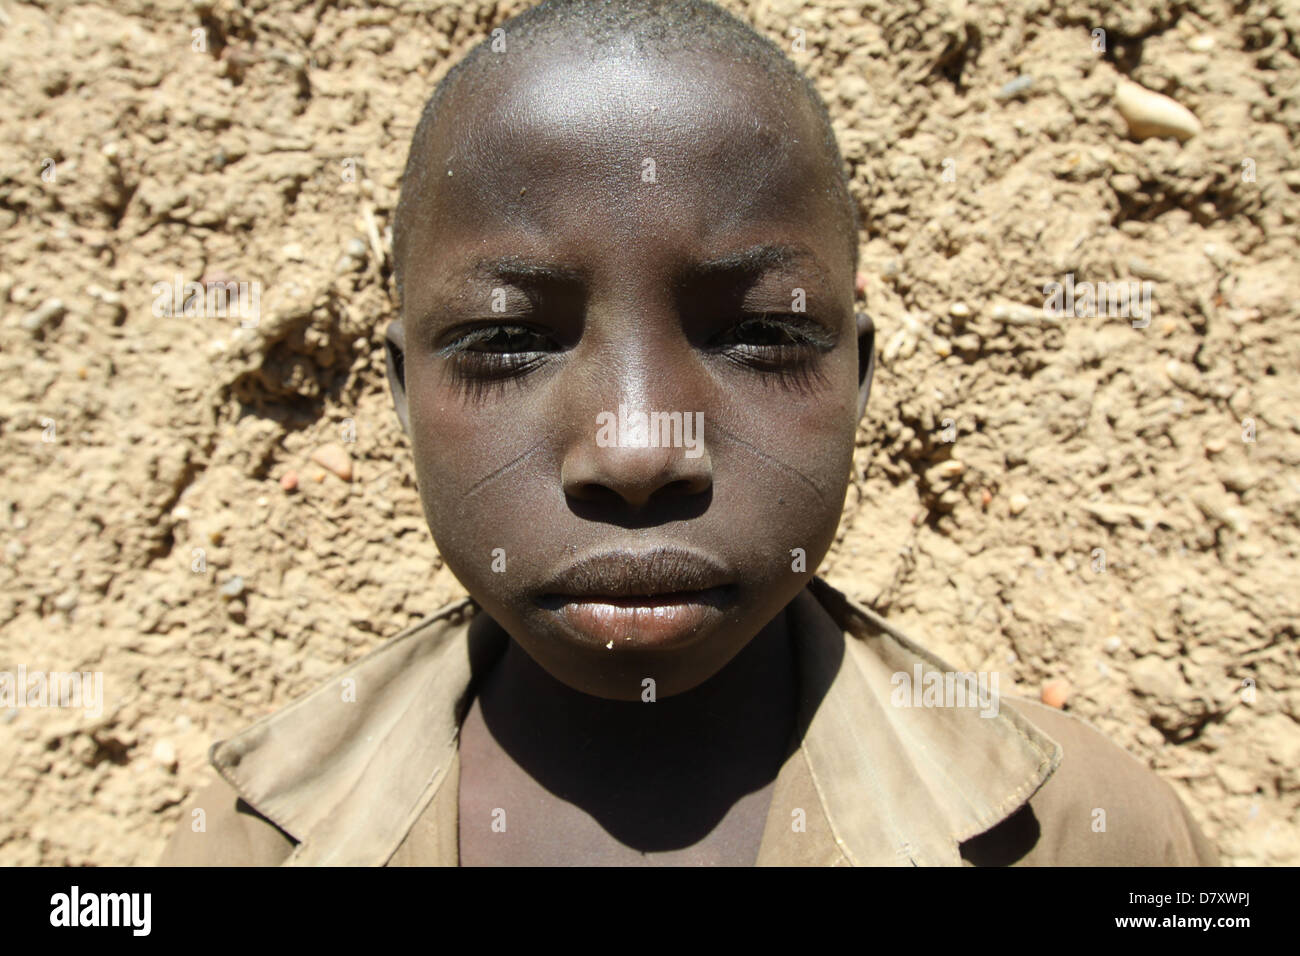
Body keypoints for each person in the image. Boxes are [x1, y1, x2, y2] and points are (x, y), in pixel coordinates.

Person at [160, 0, 1217, 866]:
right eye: (504, 340)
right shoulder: (244, 842)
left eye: (760, 333)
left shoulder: (1091, 837)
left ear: (855, 380)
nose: (634, 448)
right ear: (400, 391)